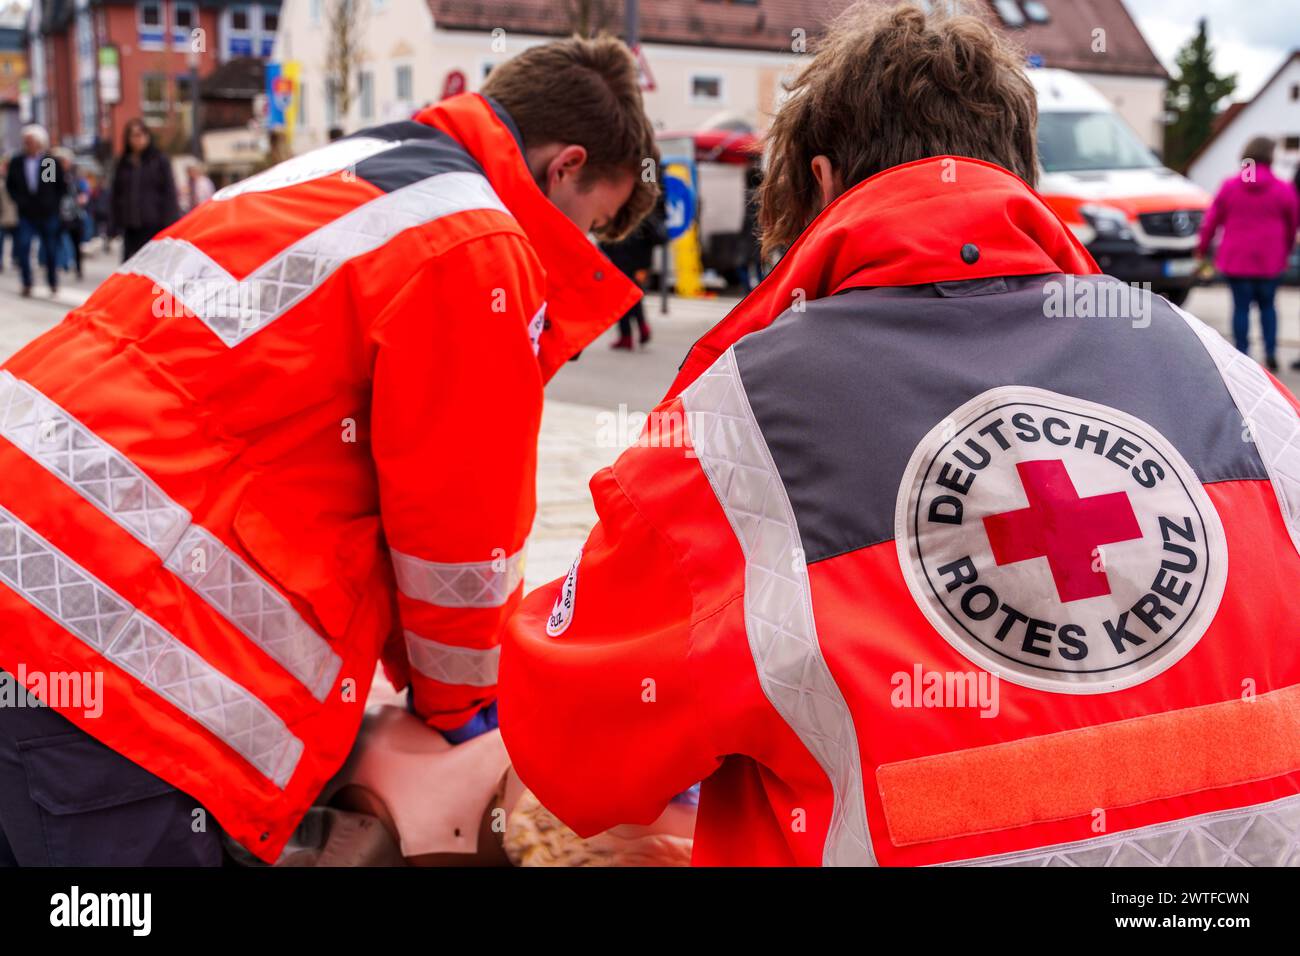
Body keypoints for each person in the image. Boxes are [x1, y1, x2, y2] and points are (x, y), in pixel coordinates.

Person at [500, 2, 1300, 867]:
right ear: (1020, 171)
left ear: (822, 179)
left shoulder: (738, 421)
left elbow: (572, 757)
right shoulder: (1229, 377)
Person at [0, 35, 655, 865]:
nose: (580, 252)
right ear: (565, 166)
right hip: (121, 666)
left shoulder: (335, 171)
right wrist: (463, 707)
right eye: (590, 224)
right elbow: (457, 524)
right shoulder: (477, 245)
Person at [1197, 136, 1298, 371]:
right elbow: (1293, 223)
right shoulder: (1282, 189)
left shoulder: (1230, 186)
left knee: (1240, 307)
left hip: (1237, 259)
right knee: (1268, 306)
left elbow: (1212, 221)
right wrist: (1287, 249)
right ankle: (1271, 352)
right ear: (1270, 157)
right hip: (1270, 259)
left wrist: (1202, 249)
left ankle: (1242, 355)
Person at [4, 124, 64, 296]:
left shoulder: (47, 161)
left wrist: (52, 205)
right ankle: (27, 282)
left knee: (50, 249)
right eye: (25, 141)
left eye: (30, 141)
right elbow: (11, 186)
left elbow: (53, 187)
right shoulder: (17, 162)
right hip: (26, 214)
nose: (27, 144)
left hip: (47, 214)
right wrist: (20, 202)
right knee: (23, 247)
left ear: (39, 142)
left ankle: (52, 281)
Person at [109, 117, 180, 261]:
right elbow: (116, 195)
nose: (138, 139)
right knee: (130, 267)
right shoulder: (123, 163)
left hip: (154, 224)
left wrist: (170, 223)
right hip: (130, 226)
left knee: (153, 266)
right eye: (134, 135)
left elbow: (169, 193)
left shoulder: (159, 160)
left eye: (141, 134)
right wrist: (113, 224)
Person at [601, 195, 666, 349]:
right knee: (633, 294)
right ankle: (641, 329)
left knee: (623, 297)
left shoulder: (622, 203)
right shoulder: (647, 204)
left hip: (623, 257)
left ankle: (627, 336)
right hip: (641, 260)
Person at [53, 149, 87, 281]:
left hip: (75, 214)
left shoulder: (75, 175)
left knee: (76, 243)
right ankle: (60, 265)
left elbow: (84, 190)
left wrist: (83, 197)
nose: (63, 163)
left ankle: (78, 268)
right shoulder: (51, 173)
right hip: (58, 213)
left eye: (64, 161)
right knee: (57, 242)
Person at [0, 158, 16, 274]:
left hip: (16, 216)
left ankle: (17, 259)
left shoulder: (18, 179)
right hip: (3, 216)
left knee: (20, 240)